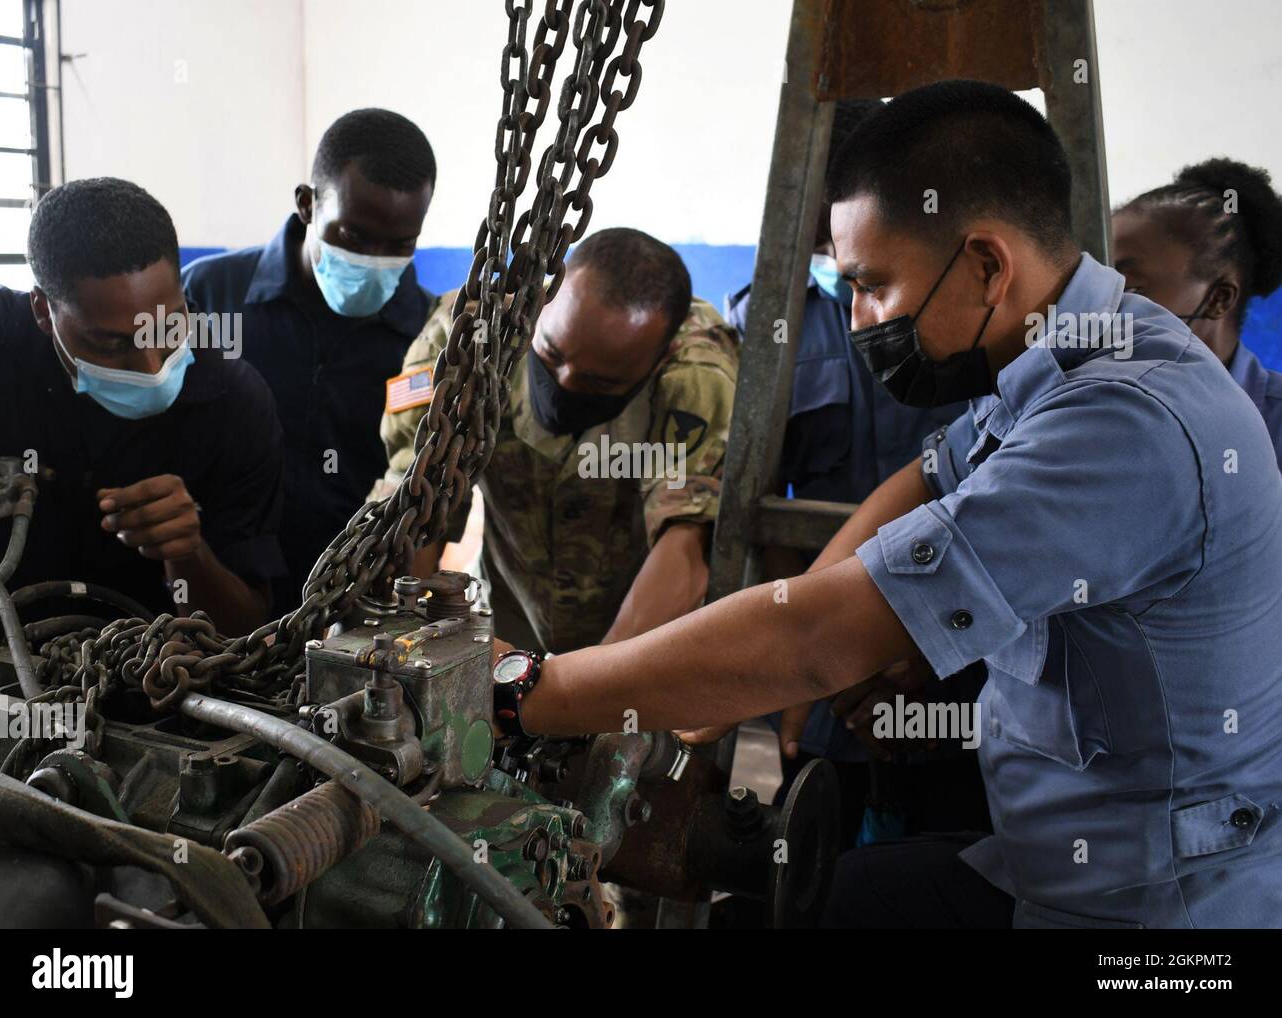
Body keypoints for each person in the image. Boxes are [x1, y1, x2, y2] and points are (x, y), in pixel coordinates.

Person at [490, 81, 1282, 929]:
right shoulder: (1071, 347)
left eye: (872, 284)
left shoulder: (1128, 420)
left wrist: (529, 692)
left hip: (1156, 916)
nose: (859, 314)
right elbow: (923, 480)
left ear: (987, 265)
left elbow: (820, 634)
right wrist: (727, 687)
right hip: (1053, 860)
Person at [725, 99, 982, 847]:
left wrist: (915, 653)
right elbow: (756, 508)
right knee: (786, 848)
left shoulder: (958, 315)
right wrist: (794, 656)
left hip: (941, 654)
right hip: (804, 657)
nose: (802, 219)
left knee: (943, 847)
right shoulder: (765, 319)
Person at [376, 228, 739, 653]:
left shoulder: (696, 374)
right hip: (508, 619)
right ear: (542, 303)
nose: (565, 382)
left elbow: (686, 545)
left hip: (644, 631)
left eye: (598, 381)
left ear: (657, 360)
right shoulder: (465, 340)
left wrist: (594, 686)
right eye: (551, 355)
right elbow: (416, 510)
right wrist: (397, 645)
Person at [0, 178, 284, 633]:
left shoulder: (235, 405)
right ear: (44, 311)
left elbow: (245, 631)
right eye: (111, 343)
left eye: (168, 327)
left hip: (154, 682)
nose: (151, 366)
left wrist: (187, 553)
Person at [183, 109, 437, 615]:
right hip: (213, 591)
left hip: (352, 603)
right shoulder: (211, 294)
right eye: (354, 237)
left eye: (399, 244)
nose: (375, 258)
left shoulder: (424, 337)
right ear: (307, 204)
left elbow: (423, 483)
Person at [1113, 158, 1282, 465]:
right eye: (1096, 279)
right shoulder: (1085, 403)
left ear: (1218, 299)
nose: (1103, 305)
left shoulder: (1275, 427)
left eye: (1130, 287)